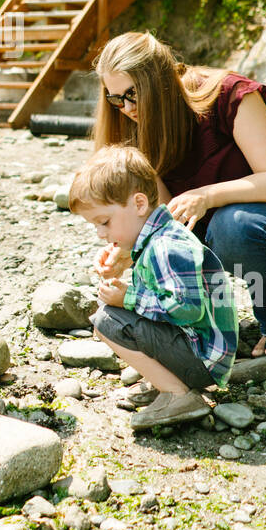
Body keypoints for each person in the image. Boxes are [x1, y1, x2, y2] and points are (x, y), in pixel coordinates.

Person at [93, 32, 266, 359]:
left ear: (159, 80)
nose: (126, 108)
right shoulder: (136, 124)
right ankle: (196, 332)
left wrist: (205, 196)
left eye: (133, 94)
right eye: (115, 99)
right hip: (216, 239)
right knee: (198, 233)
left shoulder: (229, 94)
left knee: (234, 224)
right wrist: (125, 249)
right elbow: (160, 215)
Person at [69, 145, 237, 430]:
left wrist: (129, 297)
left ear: (138, 204)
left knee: (107, 320)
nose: (100, 233)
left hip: (203, 360)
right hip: (201, 351)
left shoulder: (165, 247)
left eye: (105, 222)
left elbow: (187, 309)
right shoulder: (158, 237)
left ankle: (178, 393)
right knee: (113, 313)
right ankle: (166, 383)